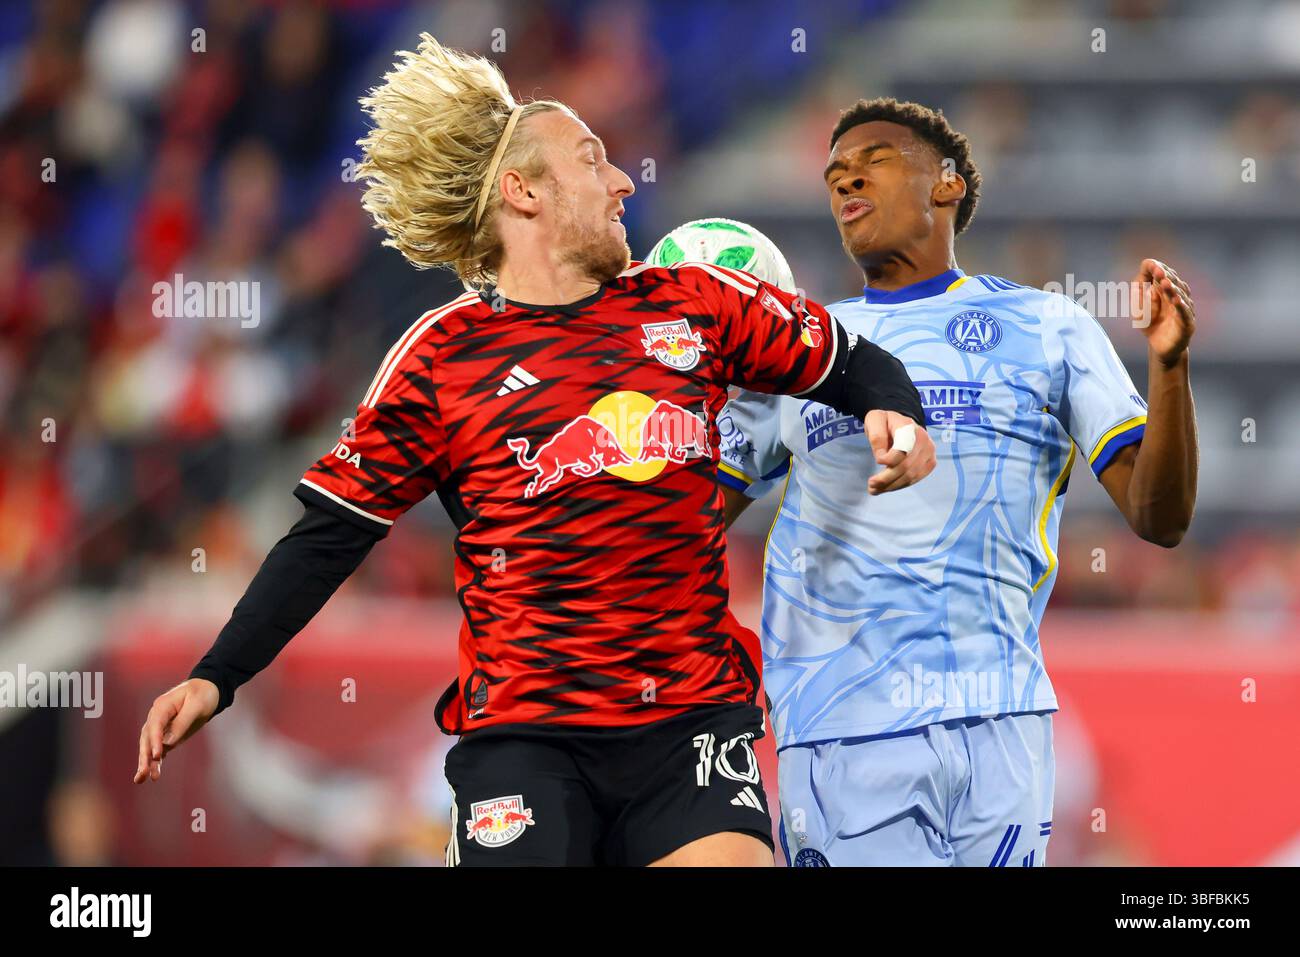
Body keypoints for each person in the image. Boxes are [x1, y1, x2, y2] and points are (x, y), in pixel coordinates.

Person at [132, 37, 935, 867]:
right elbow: (330, 535)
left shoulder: (696, 302)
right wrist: (218, 673)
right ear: (524, 193)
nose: (624, 181)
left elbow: (849, 360)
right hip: (525, 737)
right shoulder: (440, 358)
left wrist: (897, 416)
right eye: (594, 161)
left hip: (689, 724)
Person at [718, 97, 1197, 866]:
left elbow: (1159, 514)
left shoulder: (1048, 327)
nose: (845, 182)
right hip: (843, 722)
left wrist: (1169, 369)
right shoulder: (797, 347)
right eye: (834, 173)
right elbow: (686, 514)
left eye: (870, 161)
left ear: (946, 185)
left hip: (1003, 720)